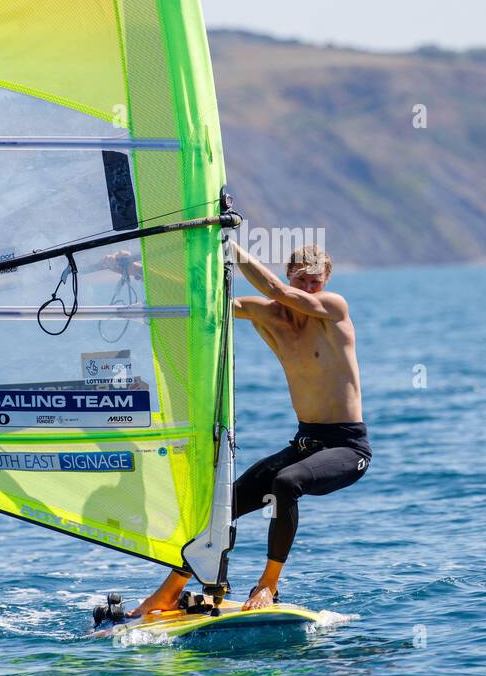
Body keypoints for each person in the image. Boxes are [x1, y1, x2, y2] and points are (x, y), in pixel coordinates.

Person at [131, 241, 371, 614]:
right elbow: (208, 300)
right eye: (302, 280)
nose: (308, 289)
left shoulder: (333, 310)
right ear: (291, 274)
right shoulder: (269, 315)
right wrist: (137, 272)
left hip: (347, 446)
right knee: (219, 507)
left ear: (325, 283)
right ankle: (169, 591)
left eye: (315, 282)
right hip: (305, 442)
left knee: (286, 483)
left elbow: (277, 290)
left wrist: (231, 246)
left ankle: (268, 585)